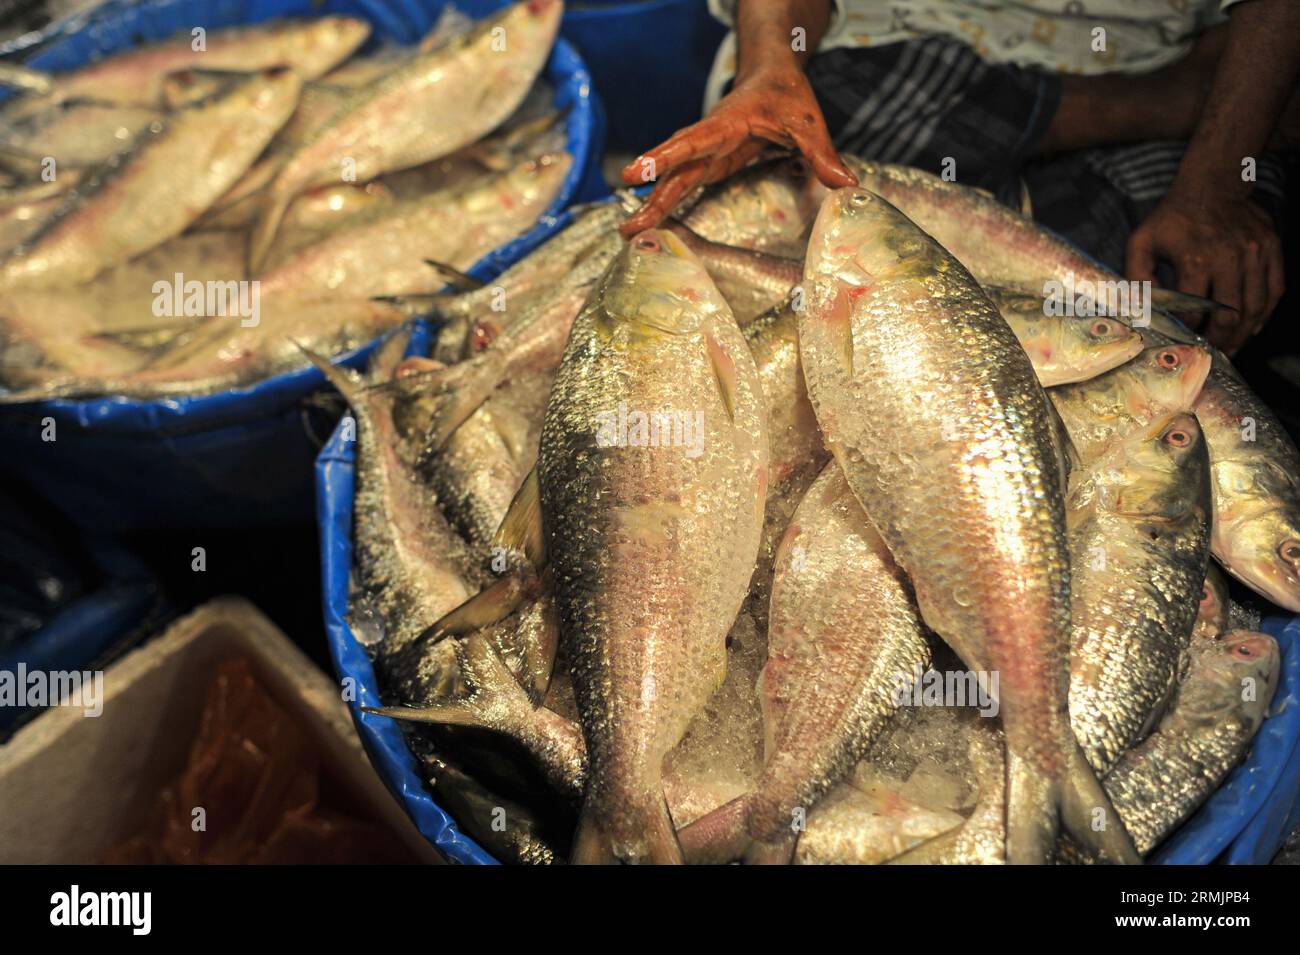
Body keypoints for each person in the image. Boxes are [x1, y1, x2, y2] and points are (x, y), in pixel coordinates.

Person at [620, 0, 1300, 354]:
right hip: (891, 51)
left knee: (1209, 271)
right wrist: (770, 65)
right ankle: (1171, 104)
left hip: (1142, 56)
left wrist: (1214, 187)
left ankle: (1177, 109)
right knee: (811, 116)